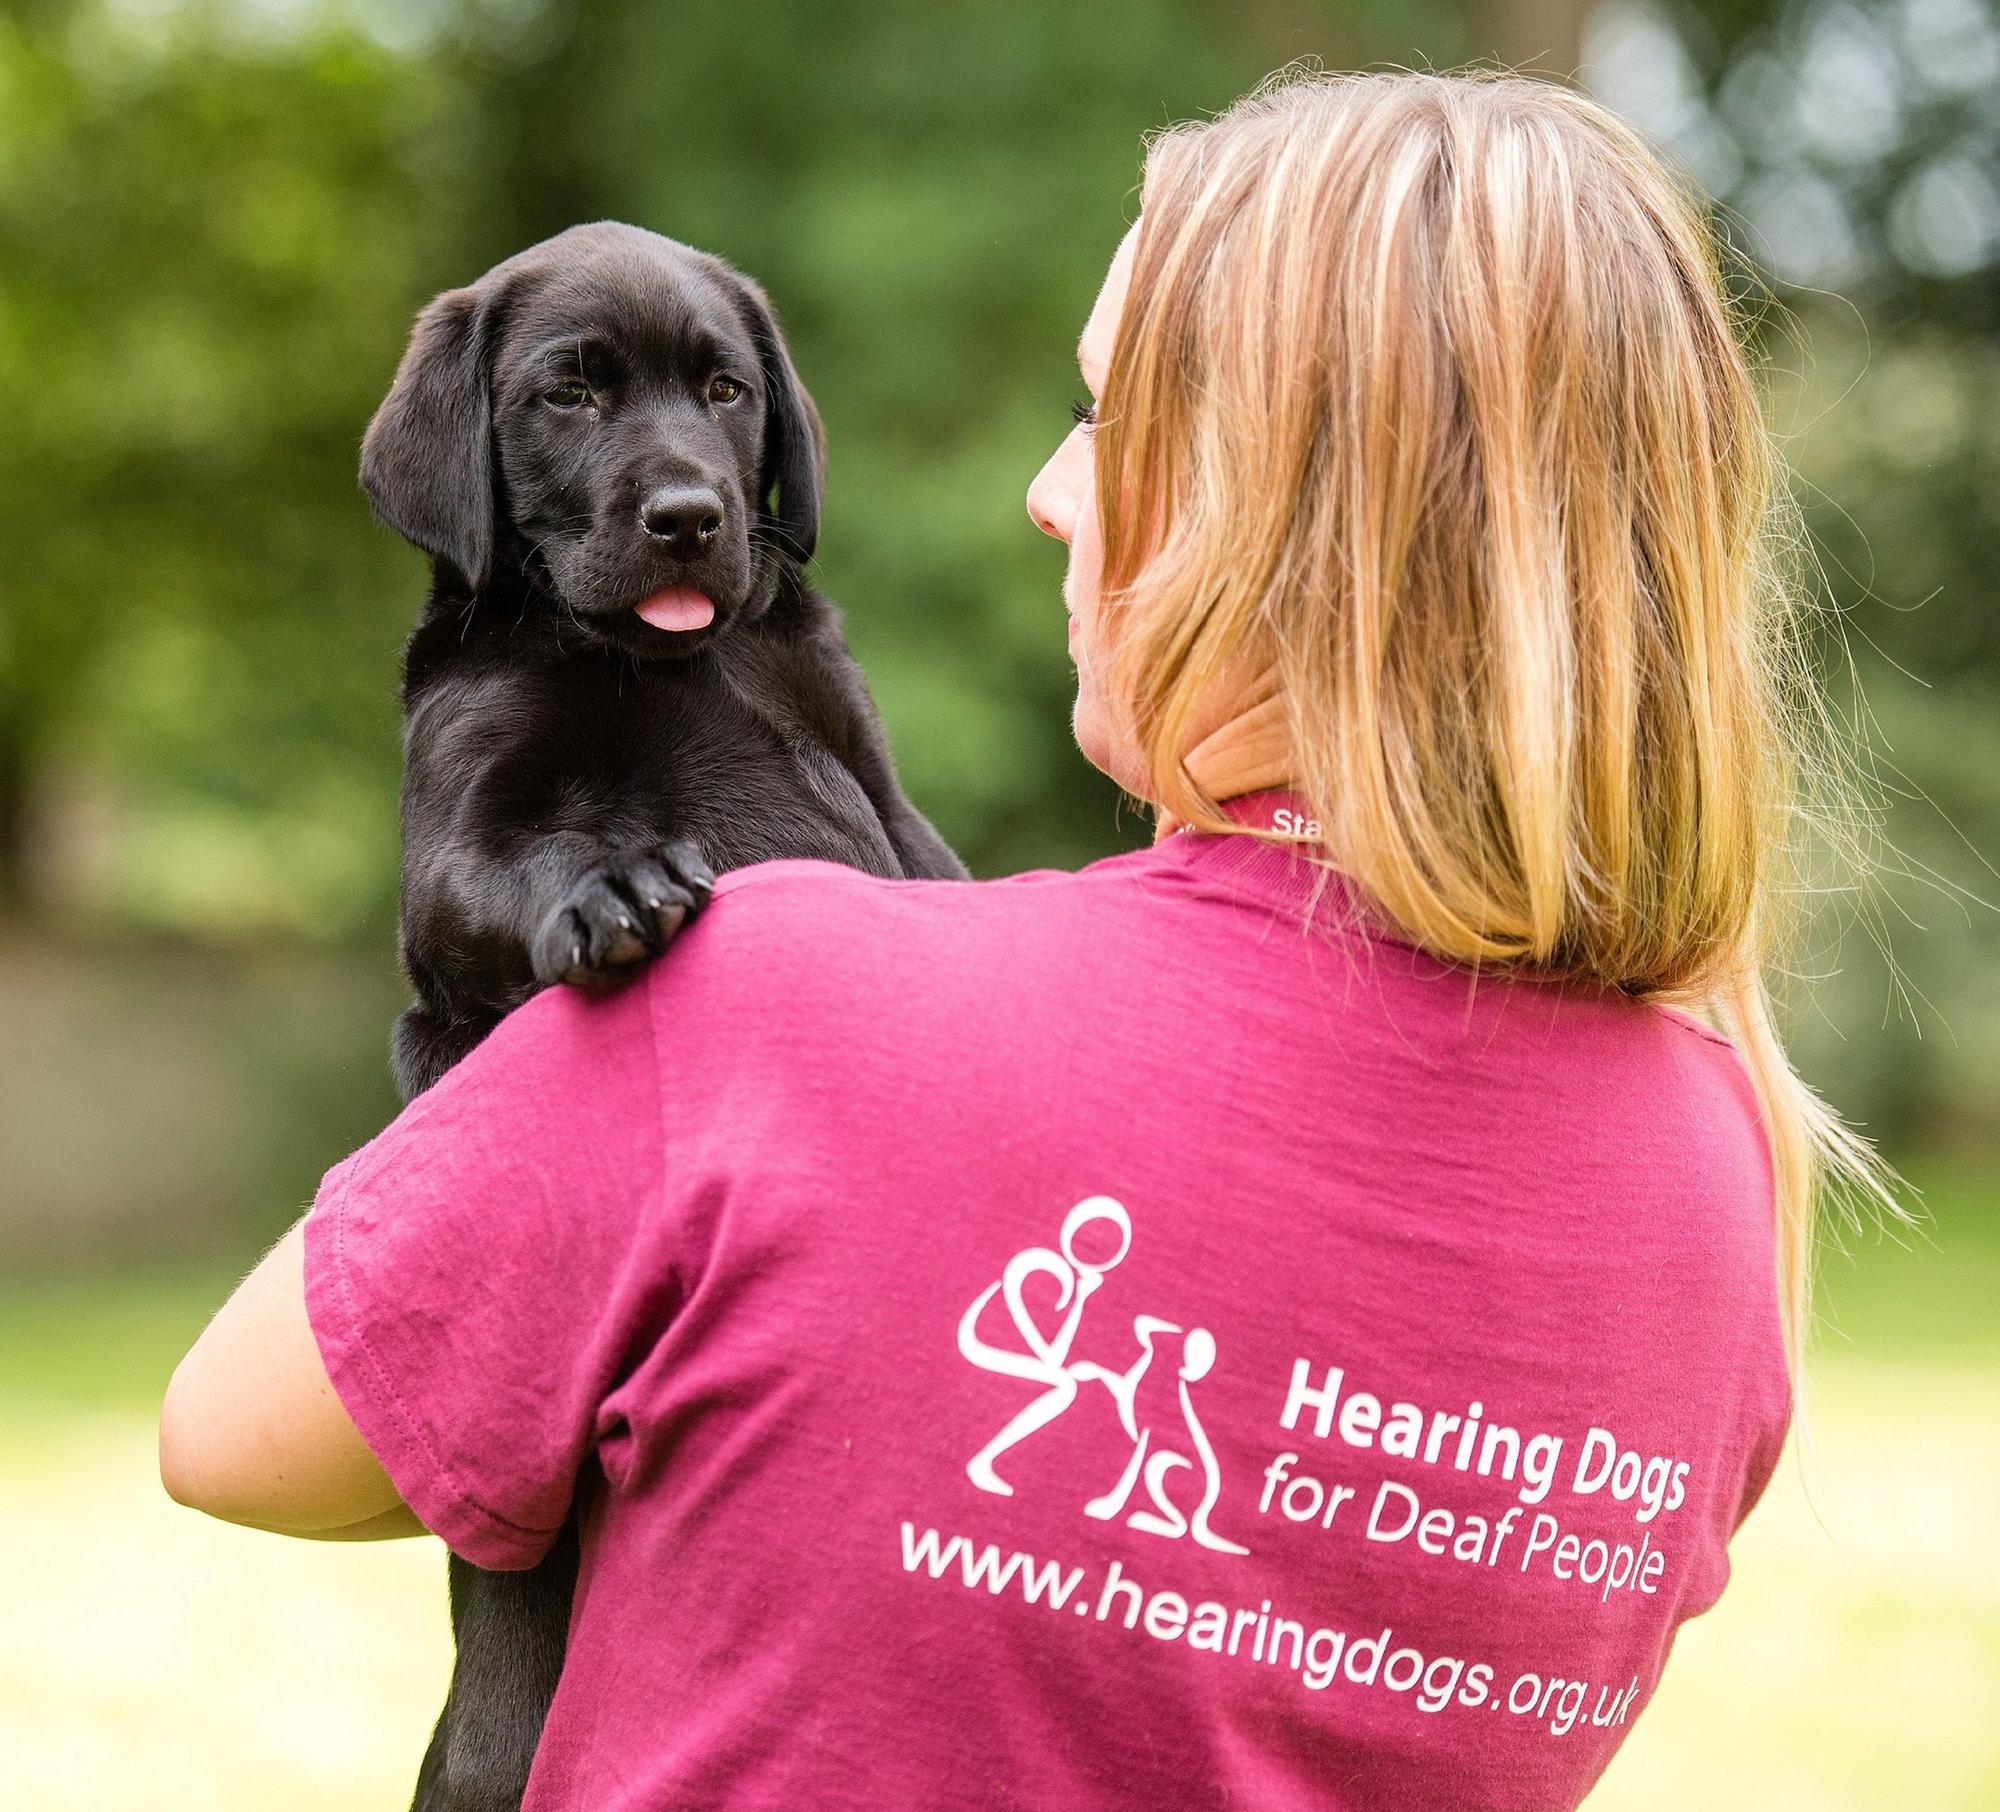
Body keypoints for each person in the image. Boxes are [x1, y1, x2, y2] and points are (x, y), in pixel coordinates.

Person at [159, 69, 1891, 1811]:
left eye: (1101, 415)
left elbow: (234, 1435)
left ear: (1276, 505)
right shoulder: (1718, 1180)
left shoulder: (766, 1002)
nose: (1052, 495)